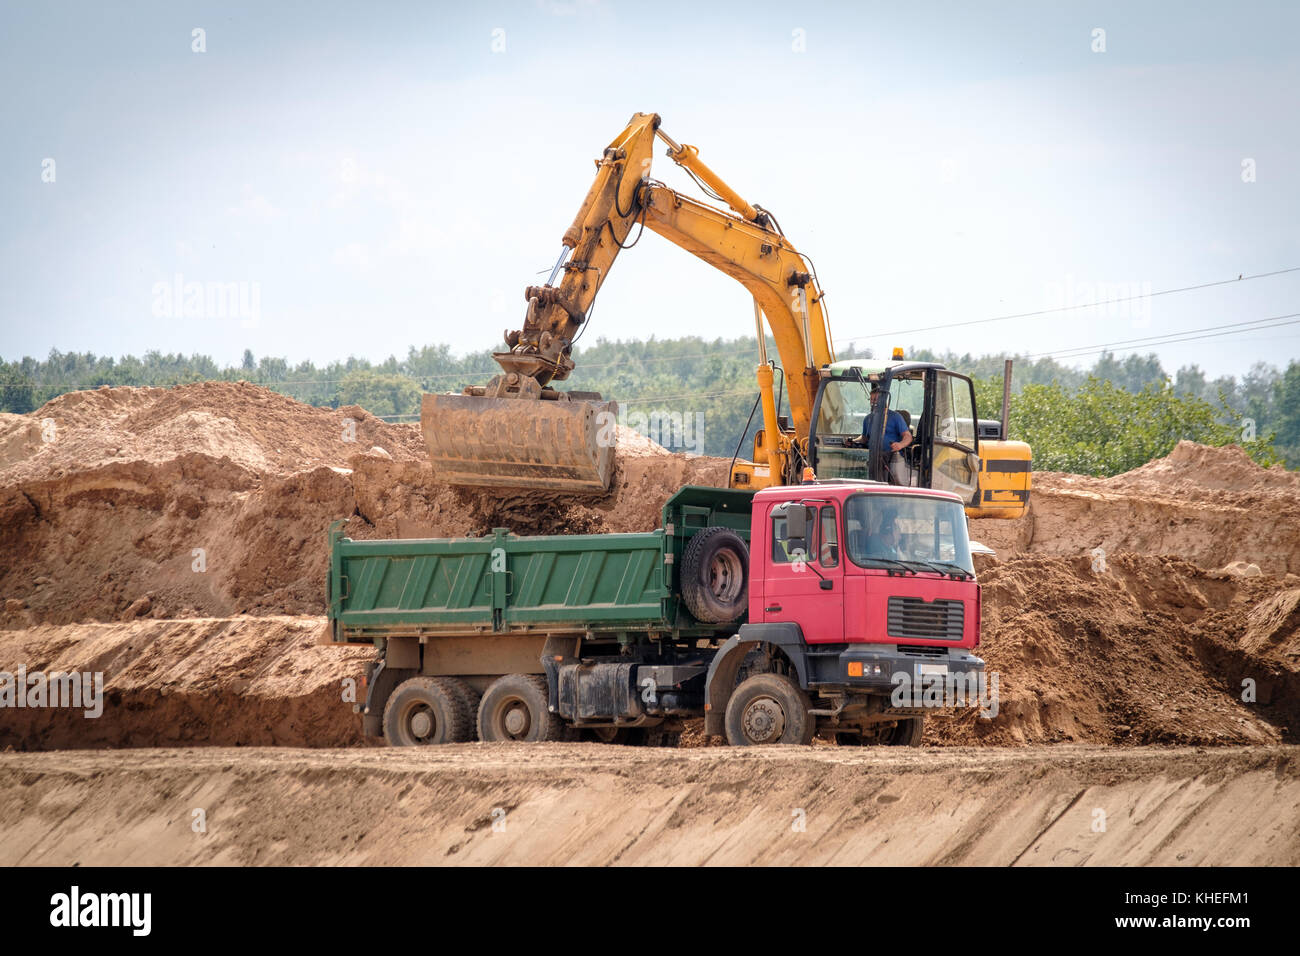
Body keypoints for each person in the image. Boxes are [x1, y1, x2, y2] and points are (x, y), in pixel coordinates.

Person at [847, 385, 913, 457]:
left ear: (883, 400)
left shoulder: (895, 417)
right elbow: (864, 438)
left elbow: (908, 436)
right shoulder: (867, 419)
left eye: (875, 399)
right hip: (872, 458)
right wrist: (853, 441)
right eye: (871, 400)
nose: (872, 402)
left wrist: (900, 445)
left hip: (892, 457)